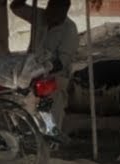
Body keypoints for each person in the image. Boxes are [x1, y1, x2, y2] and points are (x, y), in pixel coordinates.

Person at [12, 0, 79, 128]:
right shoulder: (39, 16)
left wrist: (41, 70)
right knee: (25, 110)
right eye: (49, 8)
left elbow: (62, 62)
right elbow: (16, 7)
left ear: (64, 11)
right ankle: (28, 138)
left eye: (55, 11)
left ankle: (51, 140)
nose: (50, 14)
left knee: (50, 116)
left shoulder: (69, 29)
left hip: (54, 78)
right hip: (30, 74)